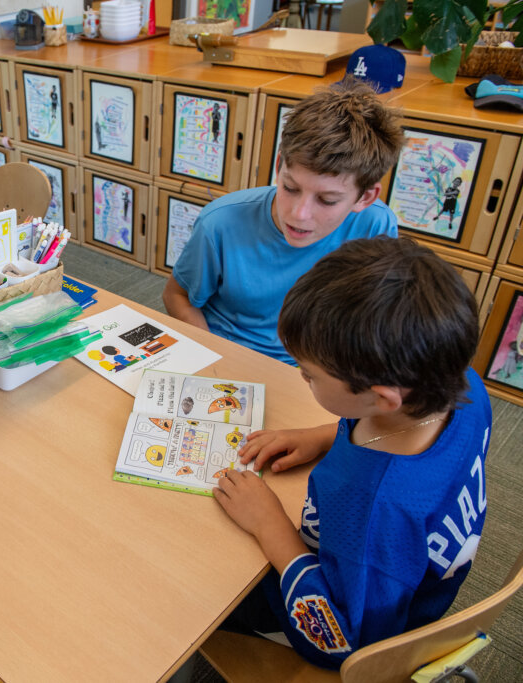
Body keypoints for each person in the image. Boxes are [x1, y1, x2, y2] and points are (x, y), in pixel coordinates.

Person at [212, 236, 490, 669]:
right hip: (392, 575)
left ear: (382, 398)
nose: (301, 376)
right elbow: (391, 427)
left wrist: (271, 526)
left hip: (356, 616)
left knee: (197, 582)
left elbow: (341, 639)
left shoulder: (375, 505)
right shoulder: (461, 385)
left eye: (310, 375)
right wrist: (323, 436)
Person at [163, 77, 404, 364]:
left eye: (327, 200)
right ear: (279, 166)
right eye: (290, 188)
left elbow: (370, 316)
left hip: (316, 364)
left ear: (365, 197)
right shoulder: (220, 222)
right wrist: (215, 357)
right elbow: (176, 295)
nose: (299, 214)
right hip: (229, 353)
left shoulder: (376, 226)